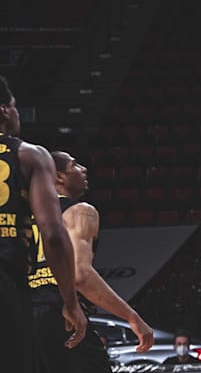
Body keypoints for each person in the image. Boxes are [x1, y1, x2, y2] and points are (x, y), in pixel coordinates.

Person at [31, 150, 155, 372]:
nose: (83, 169)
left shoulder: (23, 215)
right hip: (61, 311)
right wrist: (131, 316)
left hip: (22, 313)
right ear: (58, 177)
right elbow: (80, 275)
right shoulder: (80, 211)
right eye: (75, 165)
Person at [0, 74, 86, 373]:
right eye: (15, 107)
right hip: (8, 283)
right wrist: (71, 302)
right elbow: (54, 235)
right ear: (4, 110)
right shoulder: (29, 154)